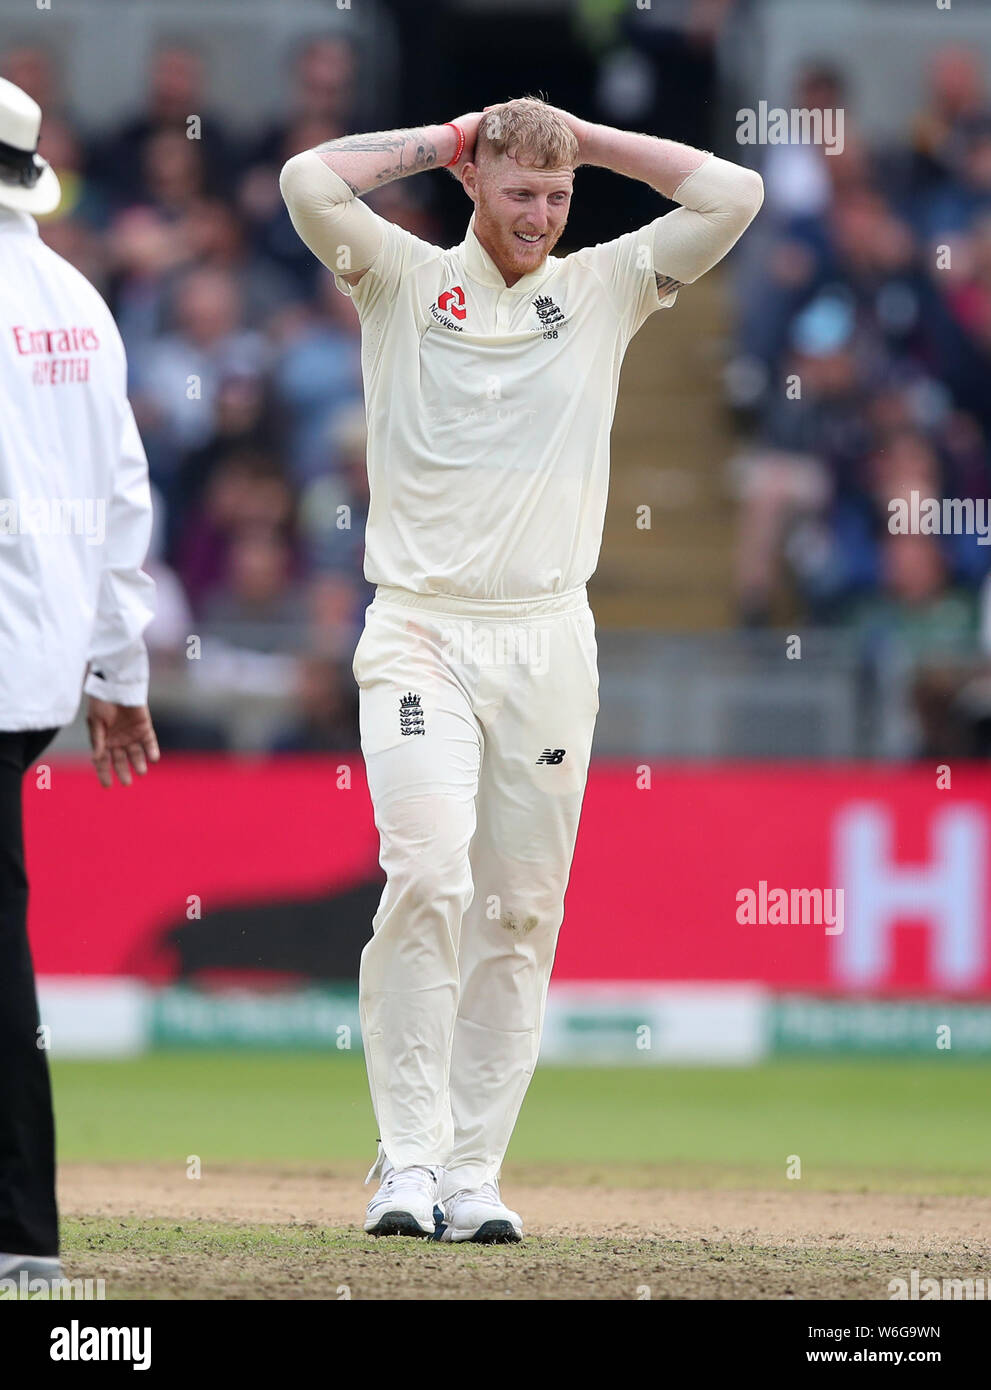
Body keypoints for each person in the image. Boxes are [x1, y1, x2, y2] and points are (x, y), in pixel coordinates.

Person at [280, 97, 762, 1242]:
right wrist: (454, 139)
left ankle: (471, 1172)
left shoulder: (599, 288)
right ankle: (403, 1158)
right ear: (472, 188)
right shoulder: (397, 278)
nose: (540, 215)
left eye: (556, 197)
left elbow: (730, 195)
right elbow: (311, 180)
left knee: (518, 909)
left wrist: (581, 143)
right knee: (430, 877)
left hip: (546, 637)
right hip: (420, 628)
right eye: (517, 193)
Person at [0, 77, 159, 1283]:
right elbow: (122, 501)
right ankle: (23, 1240)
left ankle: (21, 1240)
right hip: (41, 669)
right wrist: (117, 666)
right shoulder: (78, 301)